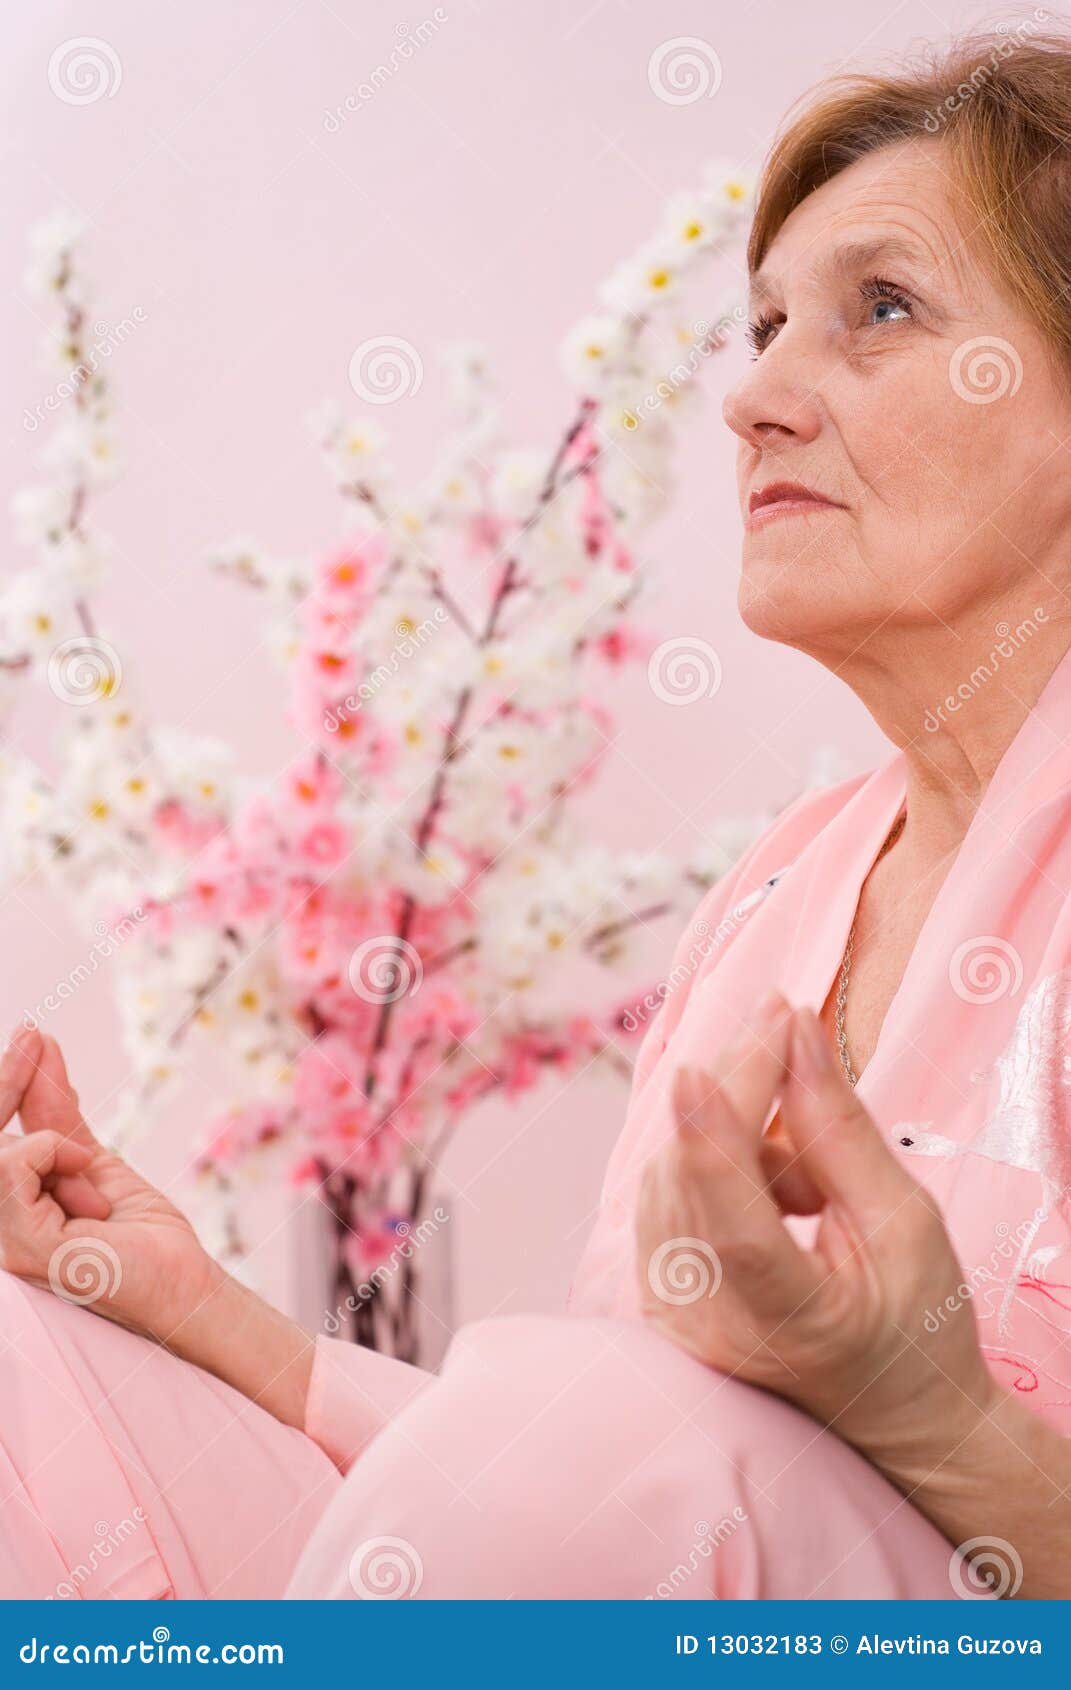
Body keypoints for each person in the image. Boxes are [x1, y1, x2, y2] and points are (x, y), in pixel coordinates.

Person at [3, 24, 1071, 1600]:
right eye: (763, 325)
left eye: (883, 309)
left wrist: (928, 1410)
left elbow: (626, 1455)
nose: (755, 396)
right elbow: (585, 1498)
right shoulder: (776, 893)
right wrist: (199, 1303)